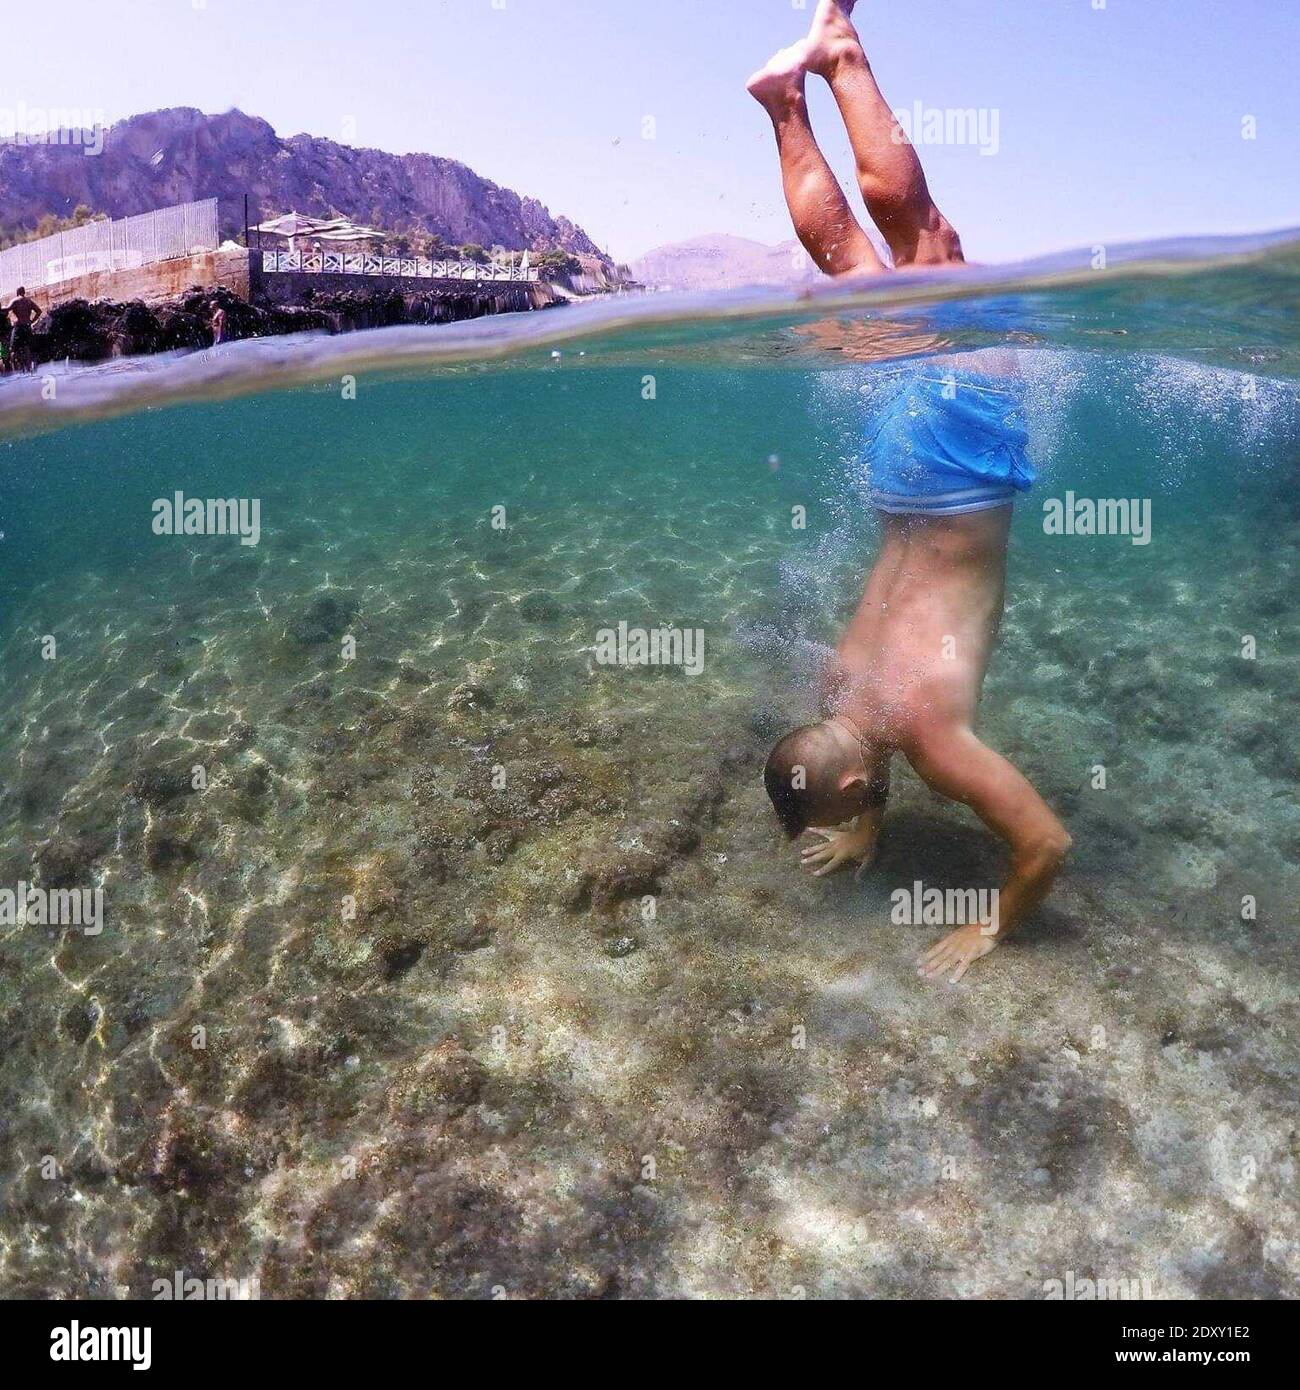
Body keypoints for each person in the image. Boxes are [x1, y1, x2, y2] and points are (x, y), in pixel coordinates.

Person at [755, 2, 1072, 983]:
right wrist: (860, 828)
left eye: (857, 804)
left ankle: (841, 55)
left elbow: (1047, 845)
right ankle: (782, 109)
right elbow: (856, 757)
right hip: (899, 461)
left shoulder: (924, 736)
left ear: (856, 777)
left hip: (957, 464)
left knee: (925, 238)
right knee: (859, 267)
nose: (866, 802)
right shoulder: (836, 690)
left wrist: (991, 925)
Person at [5, 286, 43, 373]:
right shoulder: (29, 301)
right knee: (27, 347)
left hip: (19, 327)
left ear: (17, 292)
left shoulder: (15, 300)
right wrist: (32, 321)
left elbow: (7, 309)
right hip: (27, 327)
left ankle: (19, 370)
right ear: (24, 292)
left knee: (13, 349)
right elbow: (39, 311)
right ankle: (30, 369)